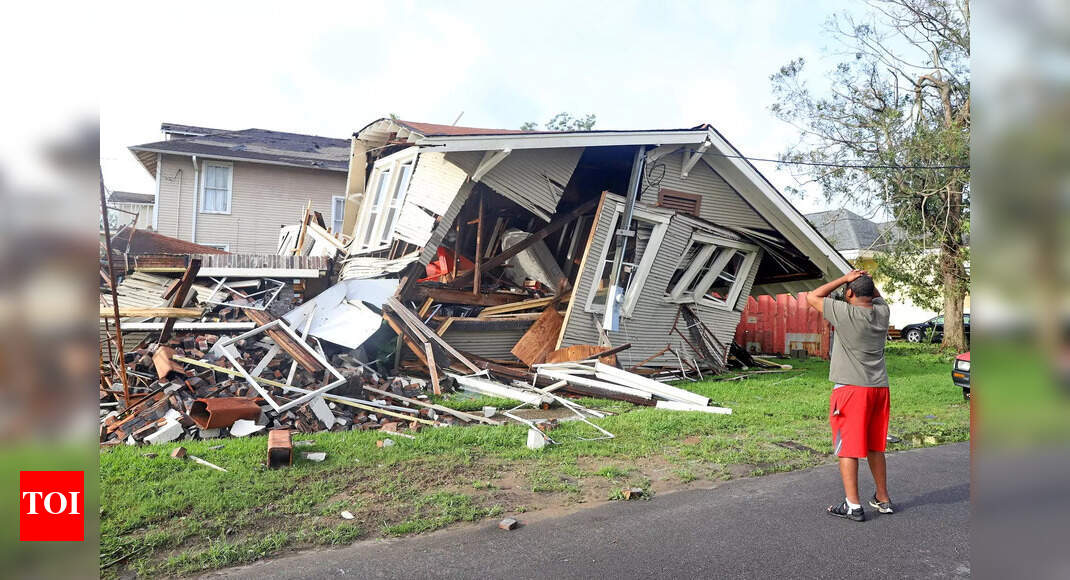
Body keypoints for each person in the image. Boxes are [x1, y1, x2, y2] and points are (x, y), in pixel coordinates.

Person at [806, 269, 895, 522]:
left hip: (851, 390)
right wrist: (864, 283)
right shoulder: (882, 312)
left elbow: (813, 296)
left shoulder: (846, 312)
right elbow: (874, 295)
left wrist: (846, 278)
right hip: (879, 389)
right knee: (875, 446)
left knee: (848, 448)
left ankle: (853, 505)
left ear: (849, 293)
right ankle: (883, 499)